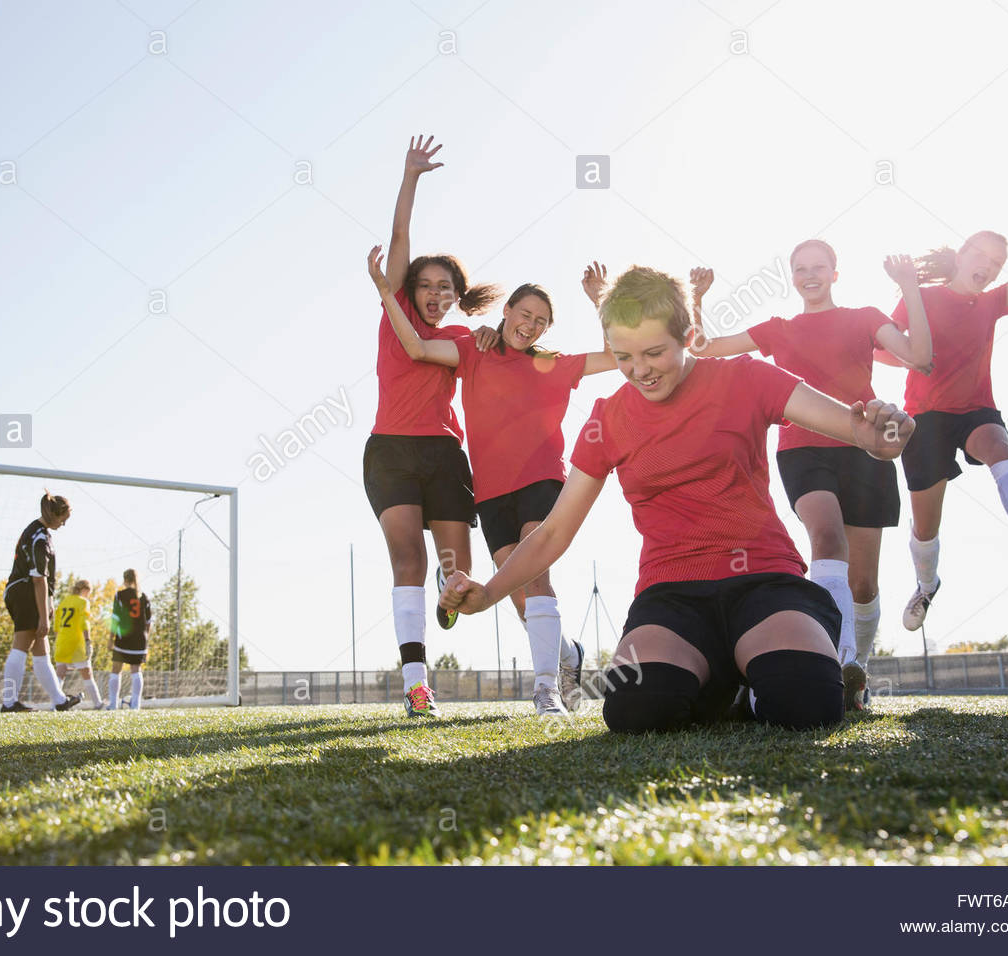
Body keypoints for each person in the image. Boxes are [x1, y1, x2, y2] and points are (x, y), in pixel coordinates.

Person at [440, 266, 914, 731]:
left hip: (764, 580)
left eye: (653, 352)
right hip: (672, 594)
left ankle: (751, 691)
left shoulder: (744, 378)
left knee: (808, 701)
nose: (639, 371)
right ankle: (729, 684)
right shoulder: (607, 419)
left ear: (687, 336)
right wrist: (489, 592)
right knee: (636, 710)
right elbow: (554, 532)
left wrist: (878, 435)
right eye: (624, 356)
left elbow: (852, 425)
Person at [368, 249, 618, 714]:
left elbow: (619, 356)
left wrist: (600, 300)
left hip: (543, 482)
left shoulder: (555, 364)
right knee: (522, 599)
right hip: (490, 493)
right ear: (506, 312)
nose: (531, 325)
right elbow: (419, 349)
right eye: (524, 314)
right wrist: (387, 295)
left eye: (541, 321)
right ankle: (569, 655)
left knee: (537, 579)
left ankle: (546, 693)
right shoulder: (472, 351)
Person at [687, 245, 931, 710]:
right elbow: (704, 353)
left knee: (863, 585)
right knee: (826, 537)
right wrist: (698, 298)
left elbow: (920, 356)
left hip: (865, 448)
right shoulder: (779, 329)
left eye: (818, 267)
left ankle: (856, 668)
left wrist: (911, 289)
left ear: (835, 273)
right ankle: (831, 667)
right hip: (802, 448)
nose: (809, 275)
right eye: (801, 269)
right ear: (793, 278)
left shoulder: (864, 317)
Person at [881, 163, 1008, 631]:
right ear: (964, 253)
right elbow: (880, 349)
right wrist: (912, 358)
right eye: (981, 254)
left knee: (999, 448)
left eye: (996, 263)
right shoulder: (920, 297)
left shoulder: (990, 303)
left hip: (975, 411)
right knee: (926, 526)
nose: (988, 266)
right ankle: (927, 586)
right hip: (924, 418)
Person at [363, 135, 502, 717]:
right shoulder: (392, 305)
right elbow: (399, 240)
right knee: (408, 563)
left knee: (456, 574)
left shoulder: (463, 338)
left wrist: (494, 338)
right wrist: (411, 177)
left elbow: (507, 362)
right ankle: (417, 685)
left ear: (456, 297)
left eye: (448, 288)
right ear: (409, 288)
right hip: (391, 451)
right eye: (428, 285)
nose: (437, 294)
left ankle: (447, 602)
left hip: (445, 454)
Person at [0, 492, 82, 712]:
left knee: (41, 650)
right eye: (64, 518)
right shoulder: (40, 538)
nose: (64, 523)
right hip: (25, 592)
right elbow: (38, 579)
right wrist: (44, 616)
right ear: (55, 514)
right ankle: (9, 703)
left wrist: (50, 601)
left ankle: (59, 700)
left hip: (24, 591)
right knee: (22, 646)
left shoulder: (36, 531)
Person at [53, 579, 103, 709]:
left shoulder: (64, 602)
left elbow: (56, 625)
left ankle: (55, 704)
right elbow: (84, 622)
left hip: (62, 641)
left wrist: (58, 641)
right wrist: (87, 641)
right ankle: (98, 704)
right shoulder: (83, 602)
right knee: (87, 673)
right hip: (76, 642)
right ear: (85, 590)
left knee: (60, 673)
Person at [109, 568, 152, 710]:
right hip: (140, 638)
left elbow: (115, 618)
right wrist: (146, 639)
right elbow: (148, 622)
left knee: (116, 669)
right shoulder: (144, 597)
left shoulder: (120, 595)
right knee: (136, 670)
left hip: (124, 638)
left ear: (124, 579)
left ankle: (113, 705)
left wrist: (111, 638)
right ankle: (136, 706)